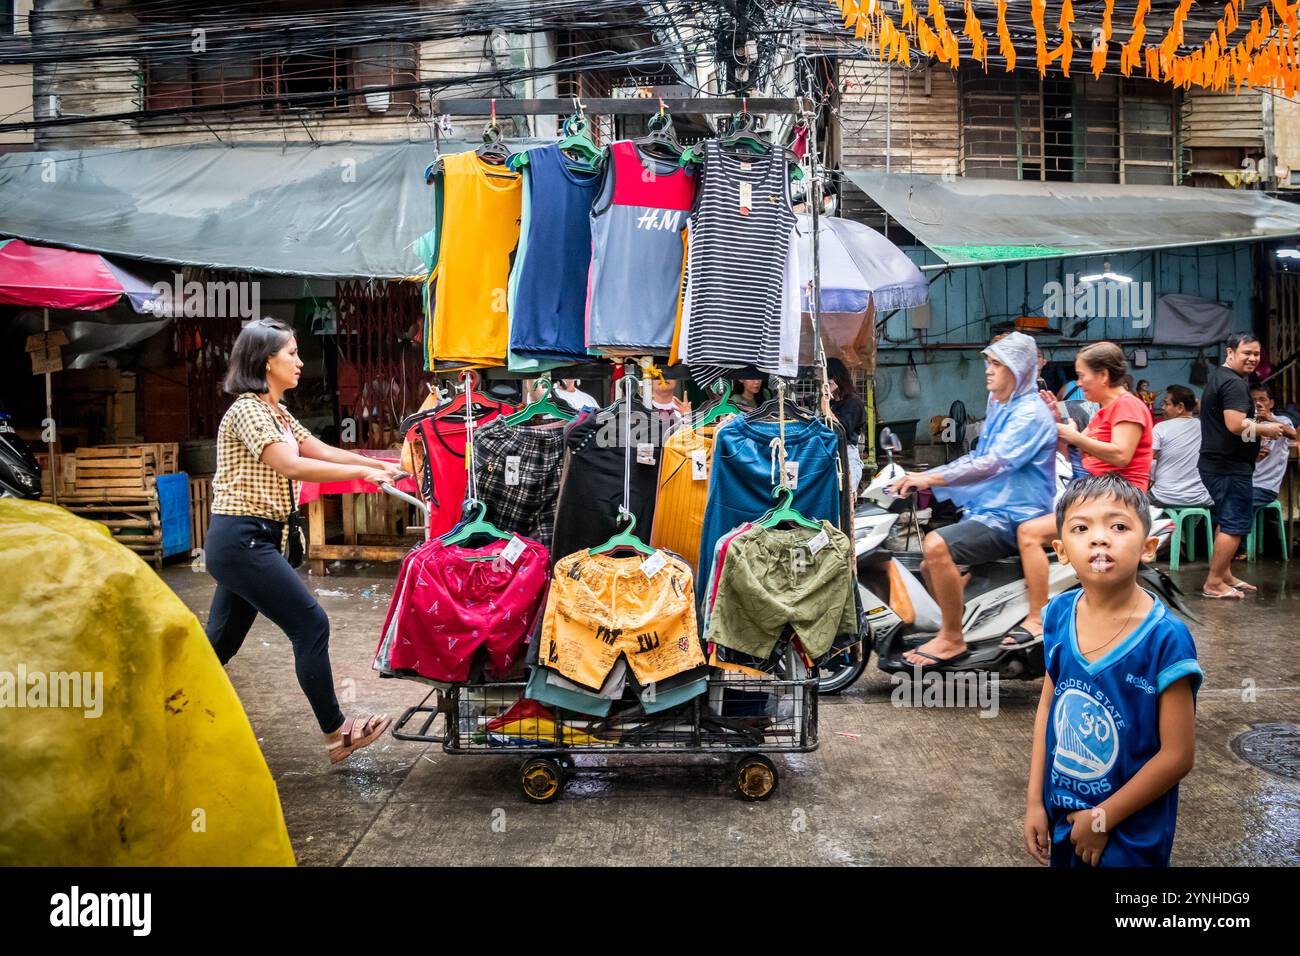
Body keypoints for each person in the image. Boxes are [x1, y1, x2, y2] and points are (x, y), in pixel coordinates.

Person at [206, 317, 399, 764]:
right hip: (242, 539)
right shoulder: (247, 410)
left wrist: (380, 465)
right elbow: (292, 466)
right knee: (310, 625)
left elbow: (318, 449)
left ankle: (161, 709)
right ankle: (336, 733)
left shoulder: (276, 410)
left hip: (251, 542)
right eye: (291, 353)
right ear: (265, 360)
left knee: (218, 645)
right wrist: (361, 472)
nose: (299, 361)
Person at [1023, 475, 1200, 867]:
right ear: (1061, 550)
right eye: (1081, 528)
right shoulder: (1057, 614)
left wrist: (1103, 820)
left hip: (1130, 834)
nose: (1099, 538)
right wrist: (1035, 800)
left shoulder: (1166, 638)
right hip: (1063, 817)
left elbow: (1178, 755)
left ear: (1148, 547)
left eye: (1118, 526)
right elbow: (1048, 710)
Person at [889, 332, 1057, 667]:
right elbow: (978, 456)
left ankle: (952, 639)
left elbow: (992, 463)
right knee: (927, 566)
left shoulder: (1030, 414)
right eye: (988, 363)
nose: (988, 370)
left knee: (936, 545)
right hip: (989, 508)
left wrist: (929, 478)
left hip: (1016, 514)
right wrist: (927, 481)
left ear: (1019, 369)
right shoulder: (1000, 404)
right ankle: (968, 623)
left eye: (997, 363)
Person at [1009, 342, 1153, 646]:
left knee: (1029, 534)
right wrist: (1058, 422)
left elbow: (1121, 455)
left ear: (1102, 375)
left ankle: (1037, 617)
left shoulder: (1127, 405)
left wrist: (1072, 434)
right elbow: (1078, 447)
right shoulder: (1103, 412)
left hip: (1117, 502)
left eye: (1082, 375)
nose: (1078, 383)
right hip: (1094, 497)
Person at [1198, 333, 1287, 599]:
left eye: (1256, 354)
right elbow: (1235, 425)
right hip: (1227, 467)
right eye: (1247, 352)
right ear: (1230, 352)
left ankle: (1223, 574)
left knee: (1227, 519)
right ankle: (1213, 583)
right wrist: (1266, 428)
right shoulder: (1234, 384)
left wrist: (1253, 441)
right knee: (1235, 524)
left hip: (1221, 462)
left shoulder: (1222, 378)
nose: (1252, 358)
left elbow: (1234, 428)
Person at [1149, 385, 1212, 509]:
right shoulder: (1205, 427)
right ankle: (1185, 528)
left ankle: (1172, 528)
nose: (1163, 408)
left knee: (1136, 505)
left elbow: (1146, 458)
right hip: (1199, 499)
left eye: (1166, 404)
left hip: (1163, 497)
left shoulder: (1161, 427)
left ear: (1180, 407)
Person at [1249, 382, 1296, 513]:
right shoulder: (1246, 425)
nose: (1258, 403)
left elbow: (1293, 434)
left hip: (1265, 487)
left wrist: (1268, 419)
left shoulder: (1282, 421)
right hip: (1244, 482)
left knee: (1235, 507)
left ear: (1271, 403)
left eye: (1262, 399)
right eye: (1253, 400)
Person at [827, 357, 866, 499]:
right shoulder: (832, 402)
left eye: (829, 382)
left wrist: (825, 405)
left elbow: (841, 430)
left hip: (847, 456)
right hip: (832, 455)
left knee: (846, 501)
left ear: (837, 379)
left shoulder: (853, 403)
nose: (826, 385)